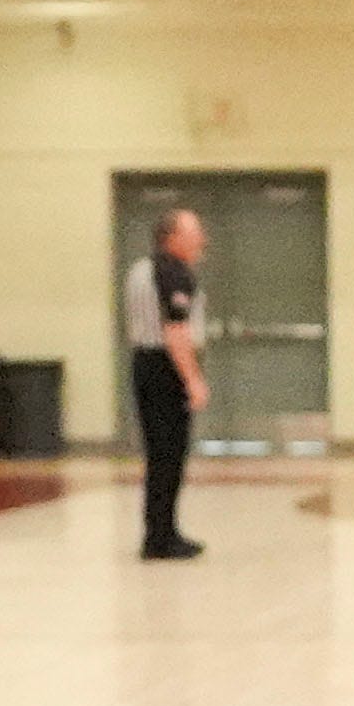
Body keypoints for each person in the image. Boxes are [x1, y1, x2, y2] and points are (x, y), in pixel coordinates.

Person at [123, 209, 209, 559]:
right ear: (172, 237)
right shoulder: (173, 271)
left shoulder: (140, 269)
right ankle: (161, 537)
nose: (202, 239)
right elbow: (175, 331)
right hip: (165, 368)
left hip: (144, 363)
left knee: (158, 454)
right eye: (195, 232)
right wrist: (193, 379)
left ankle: (160, 530)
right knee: (170, 454)